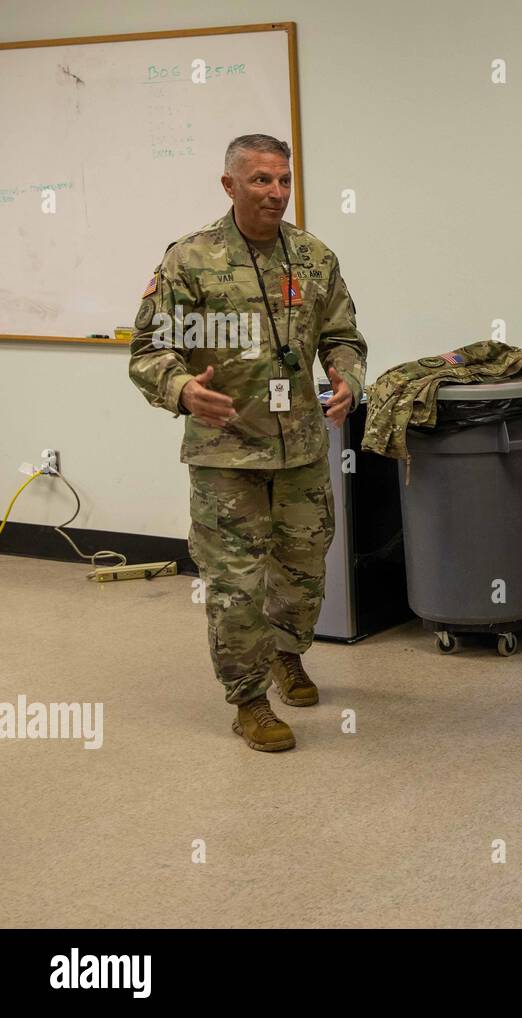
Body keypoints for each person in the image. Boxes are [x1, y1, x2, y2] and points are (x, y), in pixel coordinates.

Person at [128, 134, 367, 752]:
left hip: (303, 450)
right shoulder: (190, 260)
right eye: (261, 180)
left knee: (305, 566)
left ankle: (289, 655)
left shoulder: (314, 258)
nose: (276, 193)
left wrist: (348, 375)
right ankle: (249, 699)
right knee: (234, 582)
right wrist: (182, 390)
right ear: (229, 185)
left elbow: (344, 335)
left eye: (284, 180)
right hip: (225, 452)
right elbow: (151, 352)